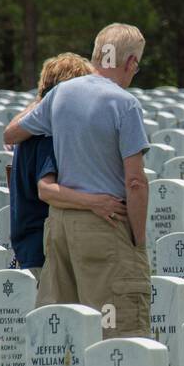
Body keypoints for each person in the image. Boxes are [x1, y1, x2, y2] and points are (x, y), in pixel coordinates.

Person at [4, 23, 151, 338]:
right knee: (118, 331)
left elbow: (12, 134)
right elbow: (136, 182)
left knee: (65, 333)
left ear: (97, 54)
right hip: (106, 224)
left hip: (59, 230)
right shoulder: (125, 104)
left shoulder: (60, 94)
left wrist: (47, 105)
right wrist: (137, 243)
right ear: (131, 64)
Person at [7, 52, 125, 306]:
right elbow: (46, 190)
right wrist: (96, 202)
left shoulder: (29, 128)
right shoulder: (48, 134)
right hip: (44, 252)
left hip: (32, 248)